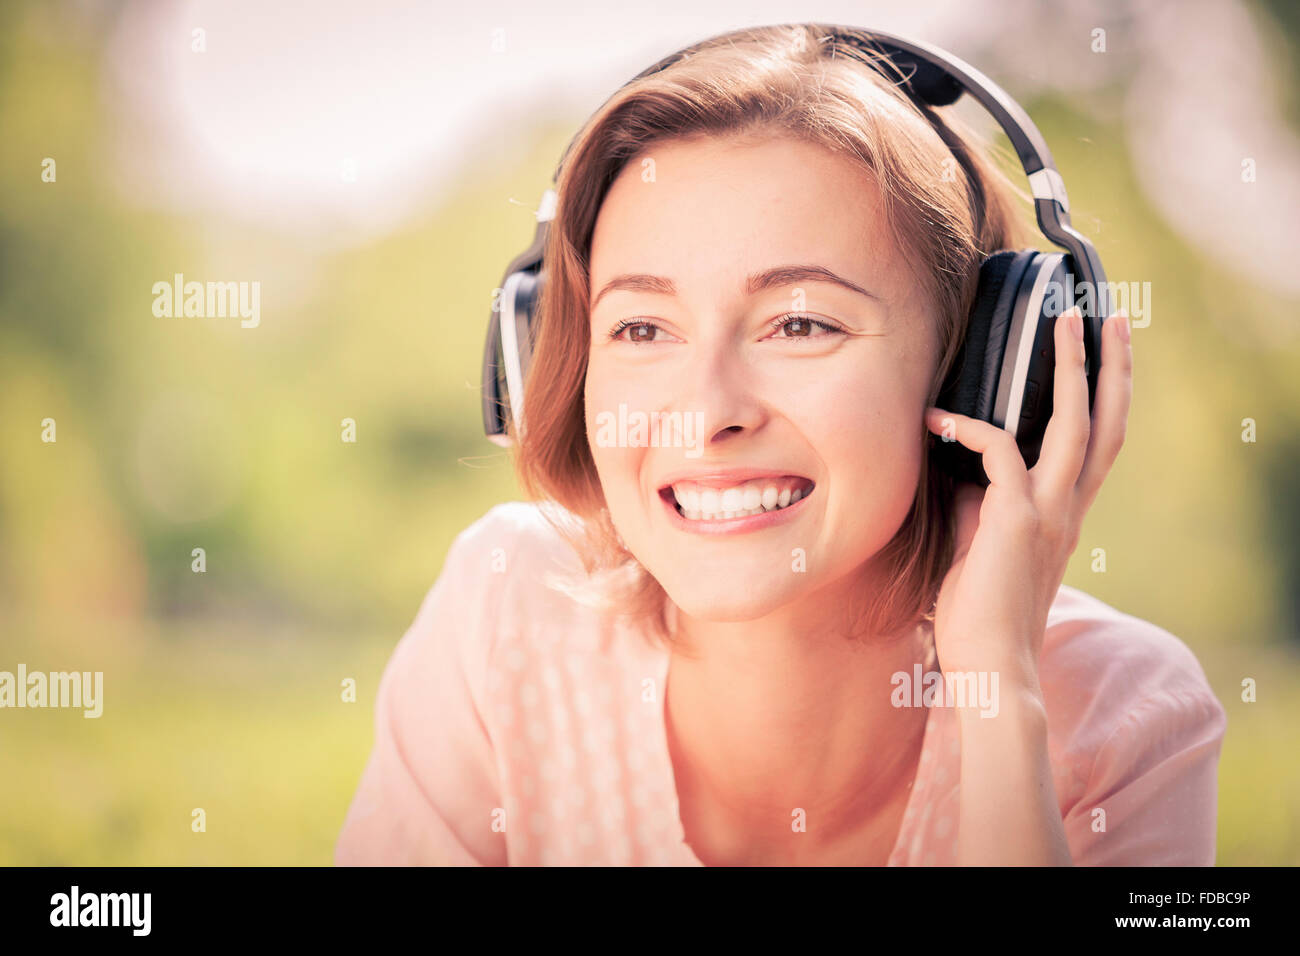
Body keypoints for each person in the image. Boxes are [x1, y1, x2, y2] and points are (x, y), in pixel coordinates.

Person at [335, 24, 1226, 866]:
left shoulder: (1128, 714)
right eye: (642, 329)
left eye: (799, 323)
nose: (706, 412)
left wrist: (1001, 690)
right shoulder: (505, 613)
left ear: (985, 372)